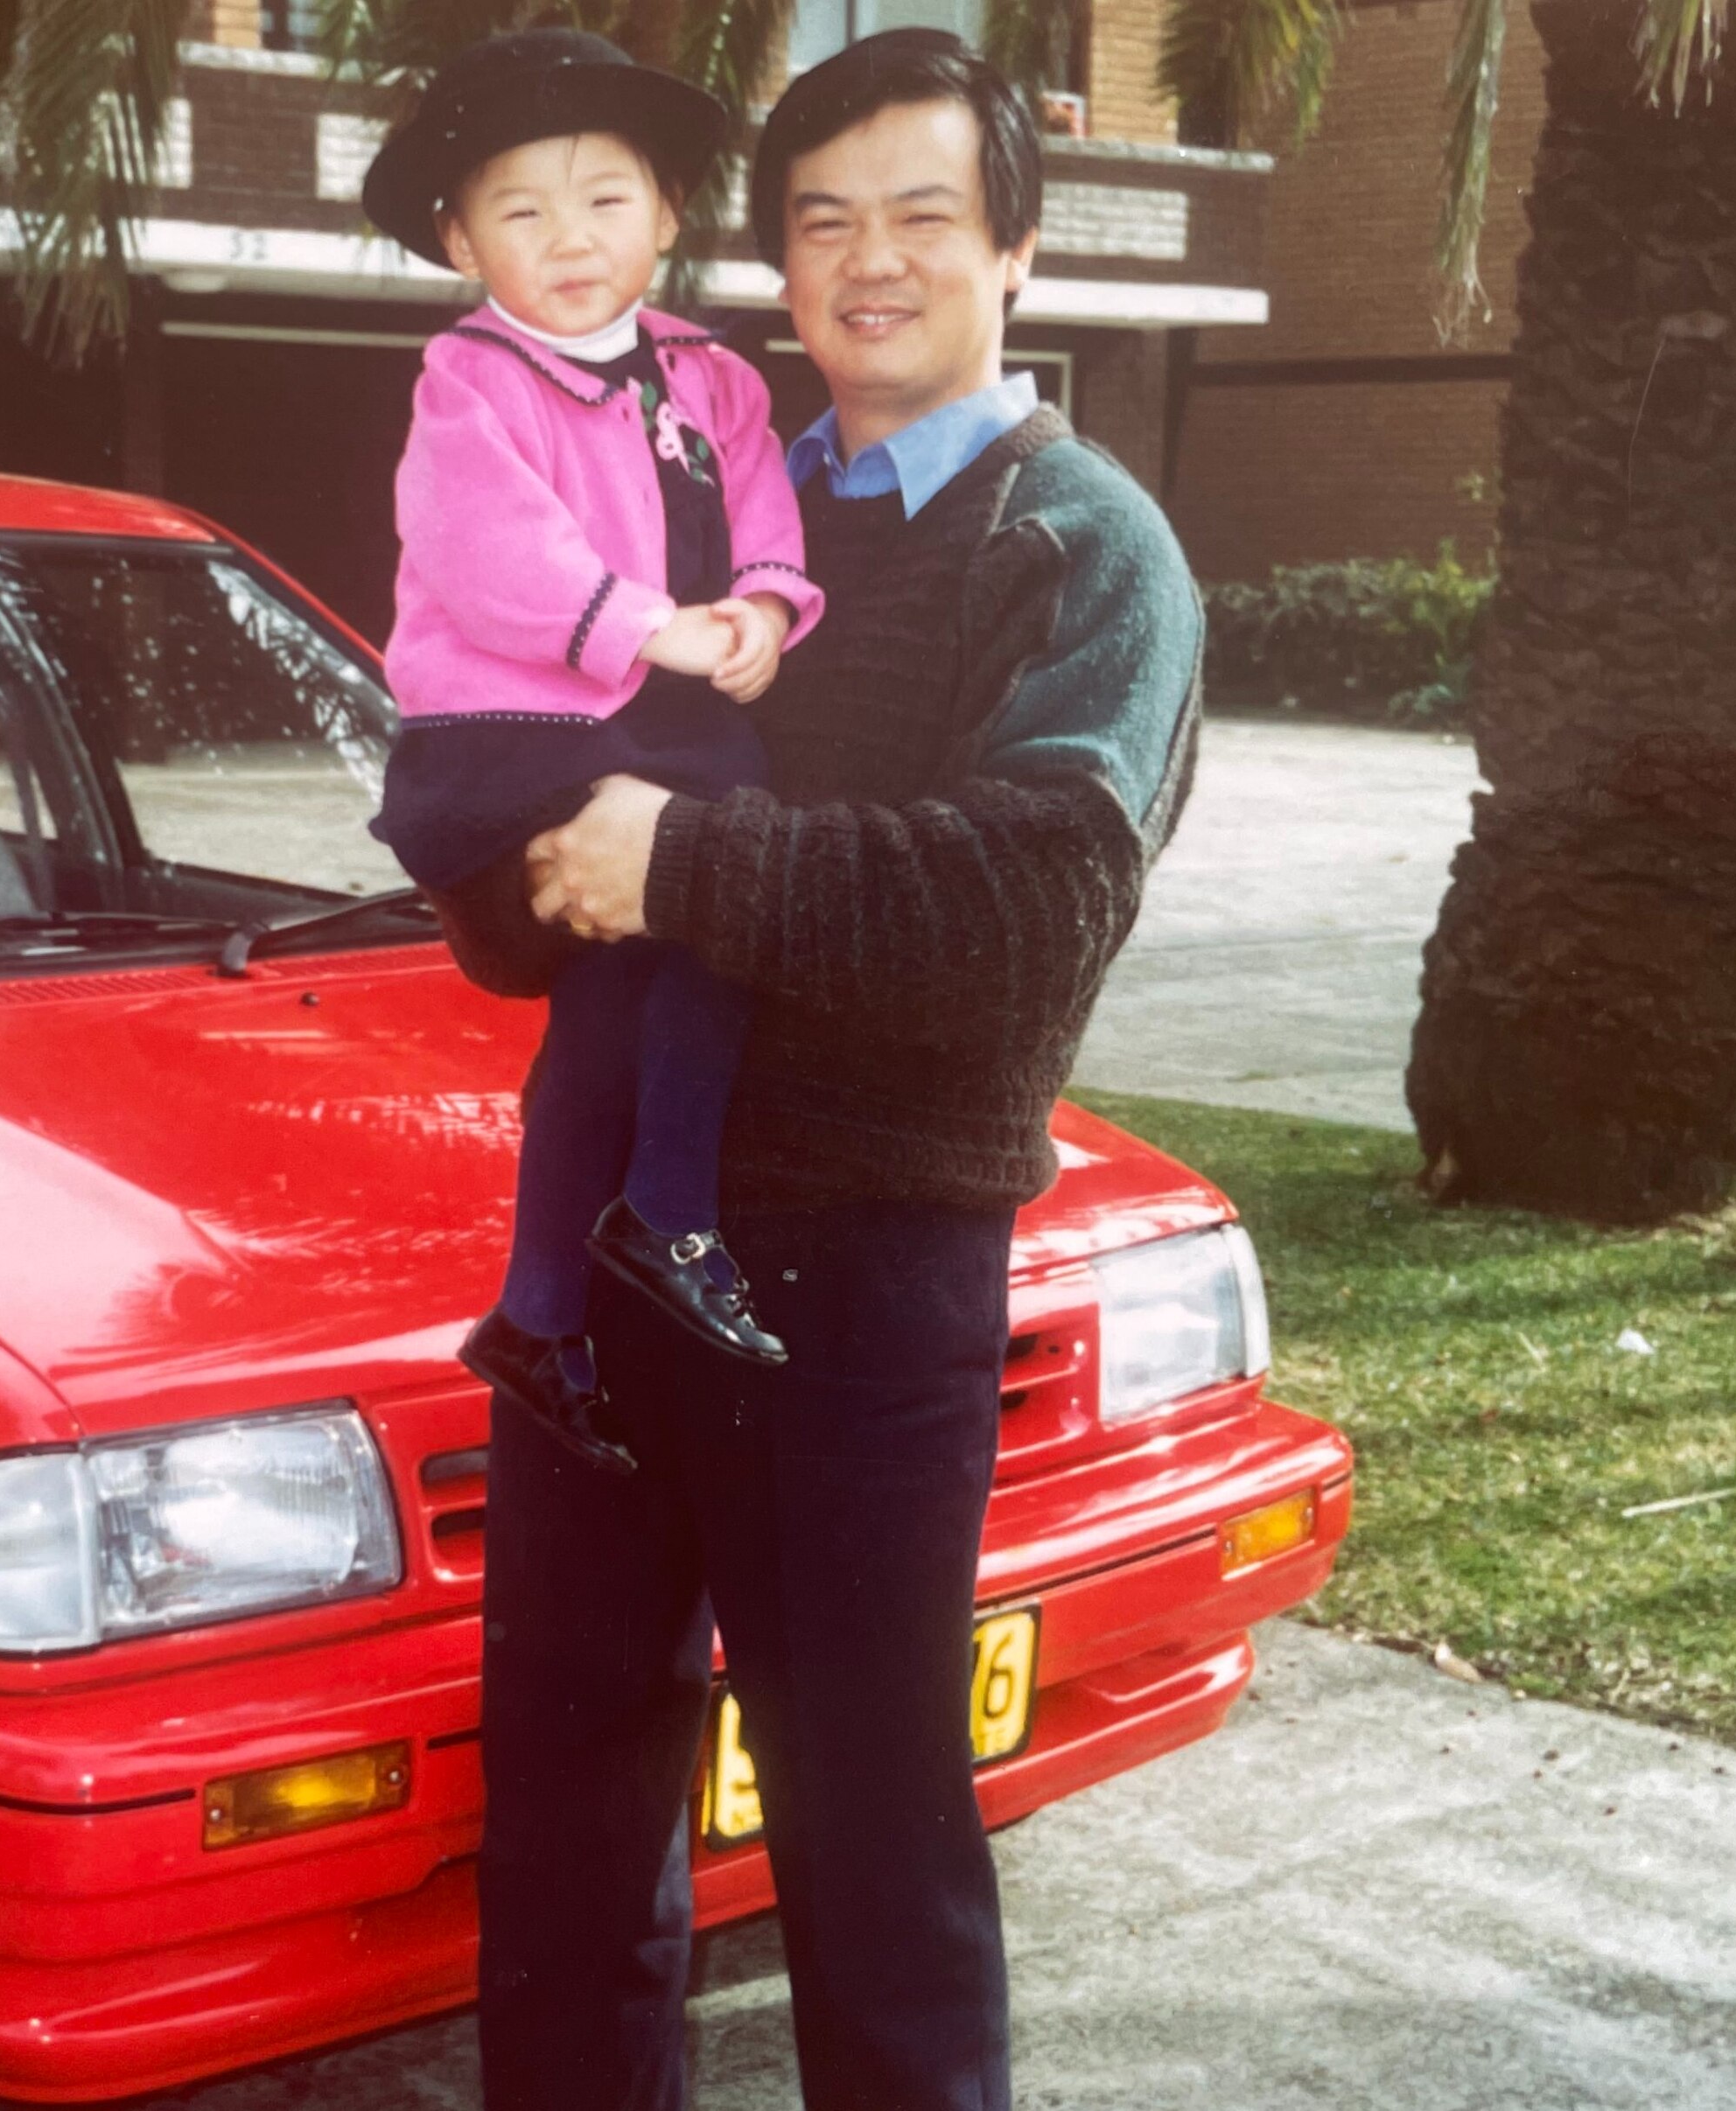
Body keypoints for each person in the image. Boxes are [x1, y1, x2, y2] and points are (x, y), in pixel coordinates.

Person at [465, 29, 1207, 2111]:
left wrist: (679, 863)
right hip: (606, 1271)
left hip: (862, 1287)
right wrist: (510, 845)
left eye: (921, 215)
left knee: (872, 1856)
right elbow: (525, 857)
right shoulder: (700, 500)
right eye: (822, 222)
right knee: (566, 1827)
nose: (869, 261)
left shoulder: (1082, 548)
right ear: (775, 262)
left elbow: (1032, 901)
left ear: (1016, 249)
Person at [359, 29, 828, 1471]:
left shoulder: (712, 373)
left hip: (648, 711)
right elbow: (492, 552)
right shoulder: (472, 382)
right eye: (521, 209)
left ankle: (542, 1306)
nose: (569, 238)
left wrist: (764, 608)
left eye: (606, 199)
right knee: (724, 854)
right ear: (460, 242)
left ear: (668, 213)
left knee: (627, 984)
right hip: (505, 728)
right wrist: (652, 626)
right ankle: (669, 1210)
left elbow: (764, 509)